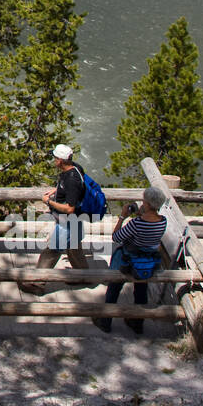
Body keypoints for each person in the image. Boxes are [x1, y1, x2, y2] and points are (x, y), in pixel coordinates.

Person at [94, 185, 168, 335]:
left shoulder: (136, 223)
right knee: (141, 291)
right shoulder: (163, 221)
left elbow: (116, 237)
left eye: (144, 201)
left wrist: (122, 217)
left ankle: (106, 321)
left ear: (147, 203)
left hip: (128, 261)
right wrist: (143, 213)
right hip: (147, 262)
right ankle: (137, 322)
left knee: (114, 289)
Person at [25, 143, 90, 296]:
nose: (53, 160)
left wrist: (48, 201)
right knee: (74, 247)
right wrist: (56, 189)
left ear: (60, 160)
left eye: (55, 158)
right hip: (75, 220)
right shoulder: (75, 168)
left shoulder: (71, 180)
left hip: (67, 221)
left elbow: (69, 208)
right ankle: (84, 276)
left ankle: (37, 283)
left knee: (51, 252)